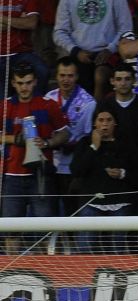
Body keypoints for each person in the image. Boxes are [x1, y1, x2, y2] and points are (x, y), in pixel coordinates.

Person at [1, 62, 69, 254]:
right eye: (20, 83)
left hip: (40, 175)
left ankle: (43, 273)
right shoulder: (5, 106)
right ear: (13, 83)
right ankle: (14, 273)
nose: (24, 87)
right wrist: (13, 139)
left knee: (43, 230)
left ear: (35, 82)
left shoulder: (48, 105)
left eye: (28, 82)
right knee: (10, 230)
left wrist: (46, 143)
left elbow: (65, 133)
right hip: (12, 176)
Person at [70, 108, 138, 251]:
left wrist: (122, 173)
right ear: (94, 124)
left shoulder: (127, 144)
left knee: (118, 247)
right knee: (84, 246)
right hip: (91, 202)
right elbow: (77, 170)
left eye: (109, 120)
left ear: (115, 124)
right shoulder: (85, 143)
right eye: (100, 120)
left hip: (120, 202)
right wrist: (94, 146)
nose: (105, 124)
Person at [44, 56, 97, 217]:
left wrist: (70, 144)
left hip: (72, 165)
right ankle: (56, 241)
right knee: (50, 209)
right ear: (56, 76)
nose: (66, 80)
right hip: (50, 162)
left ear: (77, 77)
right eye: (62, 75)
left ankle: (71, 241)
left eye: (70, 76)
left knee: (70, 210)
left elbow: (88, 137)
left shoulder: (88, 102)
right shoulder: (48, 98)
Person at [98, 63, 138, 215]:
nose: (123, 83)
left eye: (127, 79)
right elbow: (97, 136)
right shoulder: (103, 105)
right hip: (111, 170)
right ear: (112, 81)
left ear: (134, 81)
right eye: (119, 79)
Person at [53, 0, 132, 100]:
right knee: (68, 75)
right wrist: (75, 51)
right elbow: (59, 32)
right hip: (77, 52)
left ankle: (98, 113)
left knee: (101, 75)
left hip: (109, 53)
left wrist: (110, 49)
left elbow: (126, 28)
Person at [0, 0, 49, 95]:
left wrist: (3, 19)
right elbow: (25, 23)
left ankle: (35, 106)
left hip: (22, 53)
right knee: (3, 104)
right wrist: (18, 20)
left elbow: (31, 23)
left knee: (42, 71)